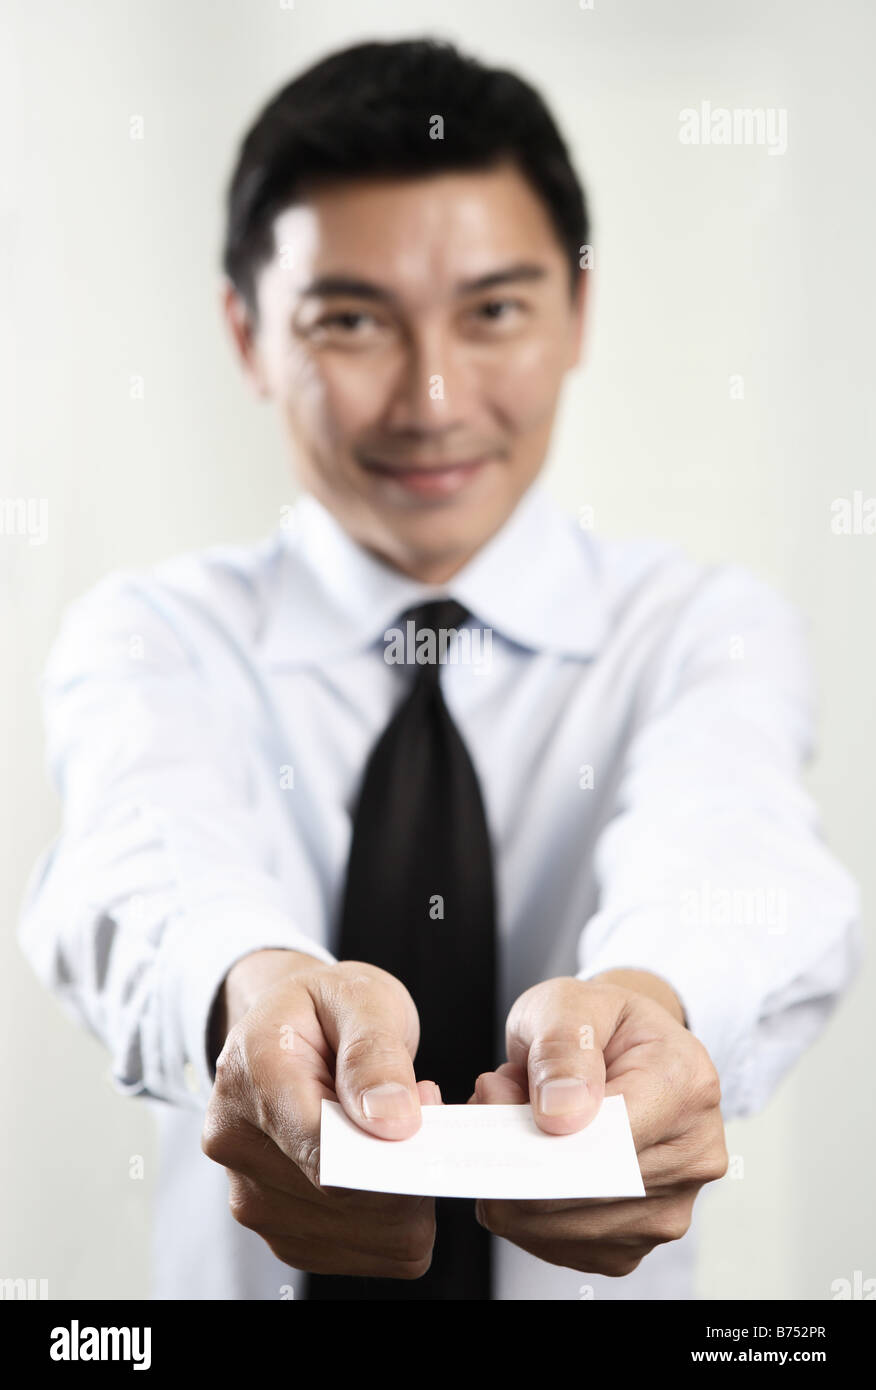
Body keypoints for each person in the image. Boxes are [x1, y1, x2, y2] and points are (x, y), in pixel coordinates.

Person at [19, 37, 861, 1301]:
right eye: (350, 319)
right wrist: (254, 989)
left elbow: (730, 835)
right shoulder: (152, 633)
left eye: (494, 310)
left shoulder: (701, 628)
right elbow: (143, 851)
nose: (431, 397)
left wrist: (651, 1002)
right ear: (247, 335)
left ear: (577, 315)